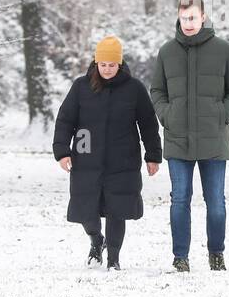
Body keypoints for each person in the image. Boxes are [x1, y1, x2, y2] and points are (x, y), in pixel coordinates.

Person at [150, 0, 229, 273]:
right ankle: (180, 257)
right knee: (180, 199)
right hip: (178, 140)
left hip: (213, 139)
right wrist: (167, 114)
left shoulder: (224, 50)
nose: (188, 23)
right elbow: (157, 90)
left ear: (203, 16)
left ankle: (216, 253)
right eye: (184, 18)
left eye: (193, 17)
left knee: (216, 202)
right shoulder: (167, 51)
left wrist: (221, 114)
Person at [53, 36, 161, 270]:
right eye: (103, 65)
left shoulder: (134, 89)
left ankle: (113, 259)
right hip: (86, 157)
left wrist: (153, 156)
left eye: (112, 65)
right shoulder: (81, 87)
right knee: (85, 208)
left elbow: (148, 124)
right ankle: (95, 239)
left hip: (122, 161)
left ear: (119, 64)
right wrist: (62, 152)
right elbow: (65, 120)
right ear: (96, 63)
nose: (107, 69)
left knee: (117, 209)